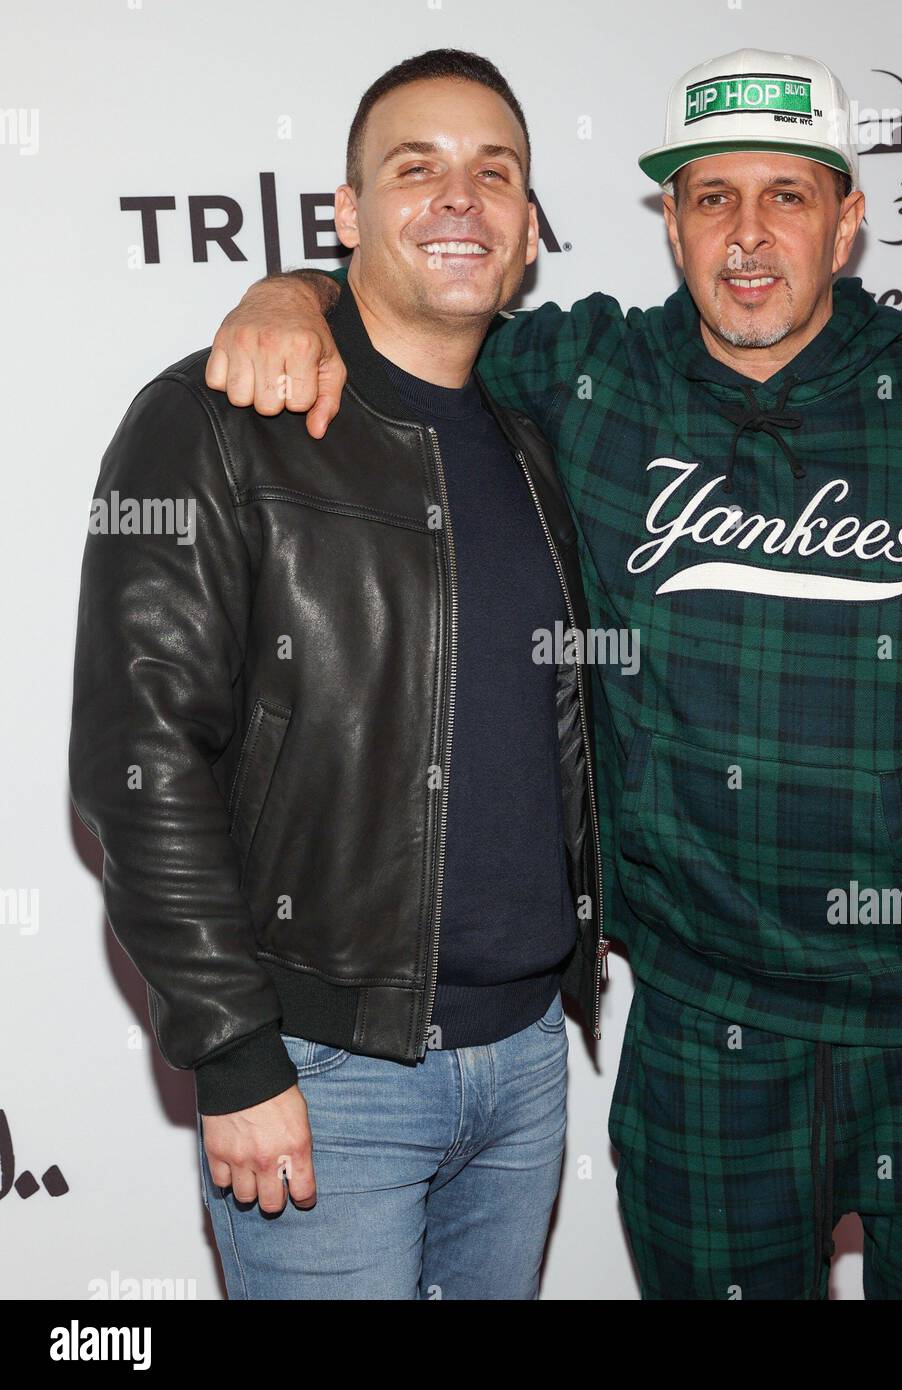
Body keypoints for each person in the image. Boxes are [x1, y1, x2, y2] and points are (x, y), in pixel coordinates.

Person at [206, 45, 902, 1300]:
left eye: (787, 196)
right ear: (670, 221)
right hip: (708, 1035)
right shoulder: (582, 382)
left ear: (848, 220)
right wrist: (287, 296)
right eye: (710, 198)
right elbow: (413, 302)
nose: (746, 238)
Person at [69, 49, 606, 1300]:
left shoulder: (536, 443)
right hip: (322, 1073)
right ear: (346, 213)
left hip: (525, 1066)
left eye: (495, 172)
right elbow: (137, 764)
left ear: (529, 228)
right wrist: (234, 1052)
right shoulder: (211, 422)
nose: (459, 198)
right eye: (415, 169)